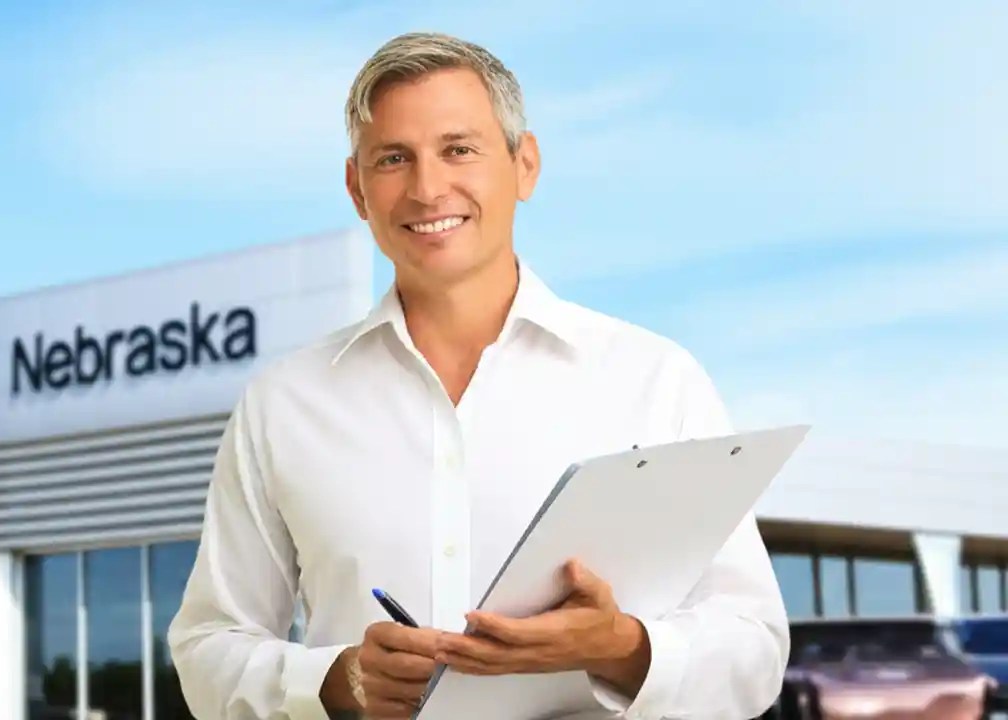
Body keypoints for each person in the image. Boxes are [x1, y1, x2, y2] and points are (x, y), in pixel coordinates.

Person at [168, 31, 790, 720]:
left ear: (525, 165)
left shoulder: (655, 380)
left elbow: (753, 650)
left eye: (458, 149)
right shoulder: (283, 404)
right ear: (356, 188)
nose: (428, 188)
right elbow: (206, 648)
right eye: (394, 158)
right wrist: (335, 682)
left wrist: (621, 647)